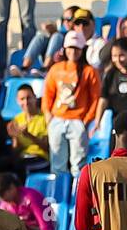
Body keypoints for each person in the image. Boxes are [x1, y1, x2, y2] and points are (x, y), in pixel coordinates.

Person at [43, 30, 101, 174]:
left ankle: (77, 195)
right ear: (65, 48)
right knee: (57, 164)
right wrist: (48, 116)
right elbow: (48, 94)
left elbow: (96, 98)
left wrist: (86, 120)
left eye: (76, 48)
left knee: (78, 164)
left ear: (82, 49)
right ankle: (59, 194)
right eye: (70, 47)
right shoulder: (55, 69)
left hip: (77, 120)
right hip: (57, 119)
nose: (73, 51)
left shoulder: (89, 71)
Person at [8, 83, 50, 175]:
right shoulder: (16, 120)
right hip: (23, 157)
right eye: (22, 99)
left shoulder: (44, 118)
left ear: (35, 98)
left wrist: (29, 135)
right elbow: (15, 151)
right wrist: (14, 137)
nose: (26, 102)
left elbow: (47, 148)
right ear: (17, 101)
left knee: (19, 167)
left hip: (40, 157)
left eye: (29, 98)